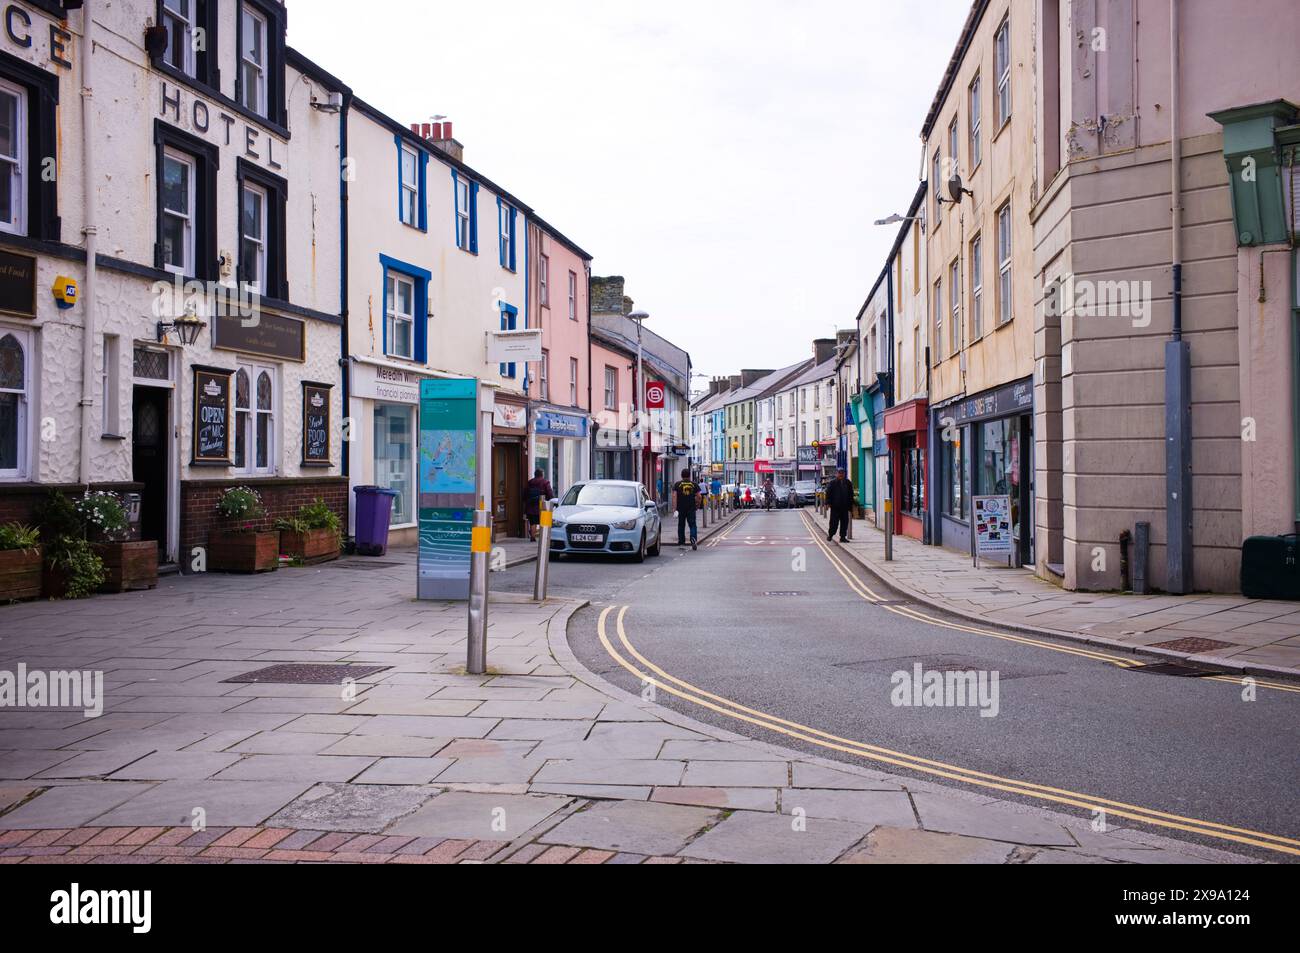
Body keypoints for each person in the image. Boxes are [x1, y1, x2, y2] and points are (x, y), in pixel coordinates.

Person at [671, 467, 699, 550]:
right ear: (689, 475)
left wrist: (674, 508)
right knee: (692, 524)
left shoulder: (677, 484)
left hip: (681, 508)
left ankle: (681, 541)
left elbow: (674, 496)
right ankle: (693, 538)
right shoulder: (694, 484)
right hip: (691, 508)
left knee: (681, 525)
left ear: (681, 475)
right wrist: (697, 505)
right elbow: (699, 496)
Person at [523, 468, 554, 542]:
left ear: (535, 474)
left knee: (533, 522)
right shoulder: (545, 482)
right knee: (544, 522)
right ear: (542, 474)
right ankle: (544, 538)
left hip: (531, 506)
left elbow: (525, 494)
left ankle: (533, 537)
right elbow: (550, 494)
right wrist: (550, 499)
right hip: (542, 505)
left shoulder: (530, 482)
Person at [825, 468, 855, 543]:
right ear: (836, 474)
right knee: (834, 523)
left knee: (845, 523)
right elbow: (828, 493)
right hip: (835, 507)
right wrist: (827, 503)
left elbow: (851, 494)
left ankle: (842, 537)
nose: (841, 474)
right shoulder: (832, 483)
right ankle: (831, 535)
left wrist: (852, 505)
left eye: (842, 473)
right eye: (839, 473)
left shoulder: (848, 483)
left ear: (844, 474)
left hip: (845, 507)